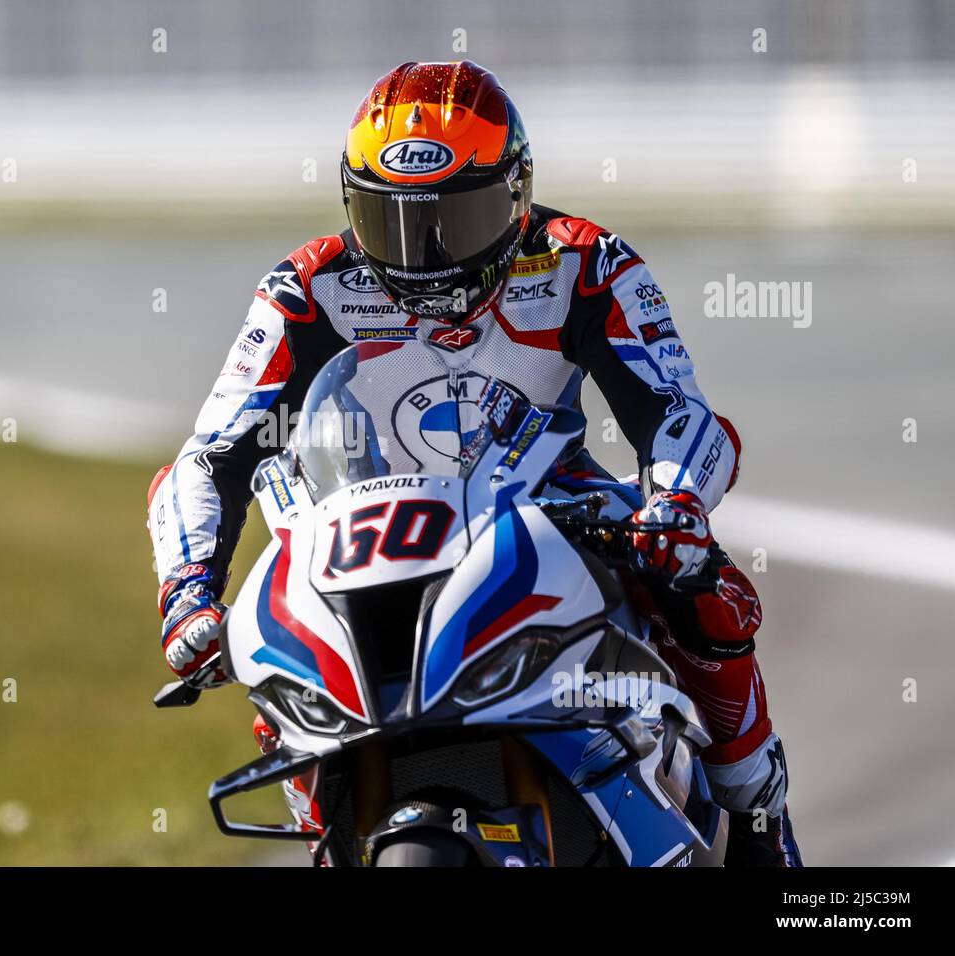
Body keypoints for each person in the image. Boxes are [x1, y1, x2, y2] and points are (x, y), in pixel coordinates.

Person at [146, 60, 800, 866]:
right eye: (395, 224)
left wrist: (675, 509)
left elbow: (677, 410)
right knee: (278, 665)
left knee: (708, 591)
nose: (427, 259)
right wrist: (188, 595)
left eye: (459, 219)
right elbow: (209, 457)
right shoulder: (307, 285)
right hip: (369, 525)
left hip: (551, 502)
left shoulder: (584, 260)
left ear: (518, 195)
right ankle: (332, 824)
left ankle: (759, 815)